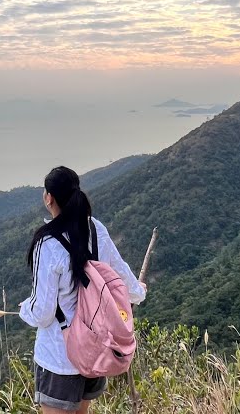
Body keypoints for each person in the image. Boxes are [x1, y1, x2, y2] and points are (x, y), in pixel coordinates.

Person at [19, 166, 147, 413]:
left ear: (49, 198)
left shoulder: (47, 243)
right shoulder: (95, 229)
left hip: (60, 357)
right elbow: (120, 275)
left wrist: (25, 309)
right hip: (94, 351)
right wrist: (139, 292)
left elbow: (43, 313)